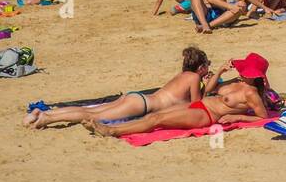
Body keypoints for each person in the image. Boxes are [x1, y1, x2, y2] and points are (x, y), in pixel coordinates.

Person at [86, 54, 273, 140]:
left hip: (206, 115)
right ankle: (112, 127)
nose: (242, 72)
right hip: (200, 104)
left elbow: (263, 117)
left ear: (254, 75)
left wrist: (237, 117)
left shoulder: (251, 93)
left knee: (158, 119)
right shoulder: (236, 81)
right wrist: (221, 71)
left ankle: (111, 131)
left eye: (246, 70)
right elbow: (208, 89)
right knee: (151, 117)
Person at [26, 47, 211, 130]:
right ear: (201, 67)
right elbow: (196, 106)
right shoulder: (194, 77)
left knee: (89, 110)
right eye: (207, 65)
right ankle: (46, 119)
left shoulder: (182, 75)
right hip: (142, 105)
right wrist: (209, 86)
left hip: (137, 98)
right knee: (94, 116)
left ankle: (42, 113)